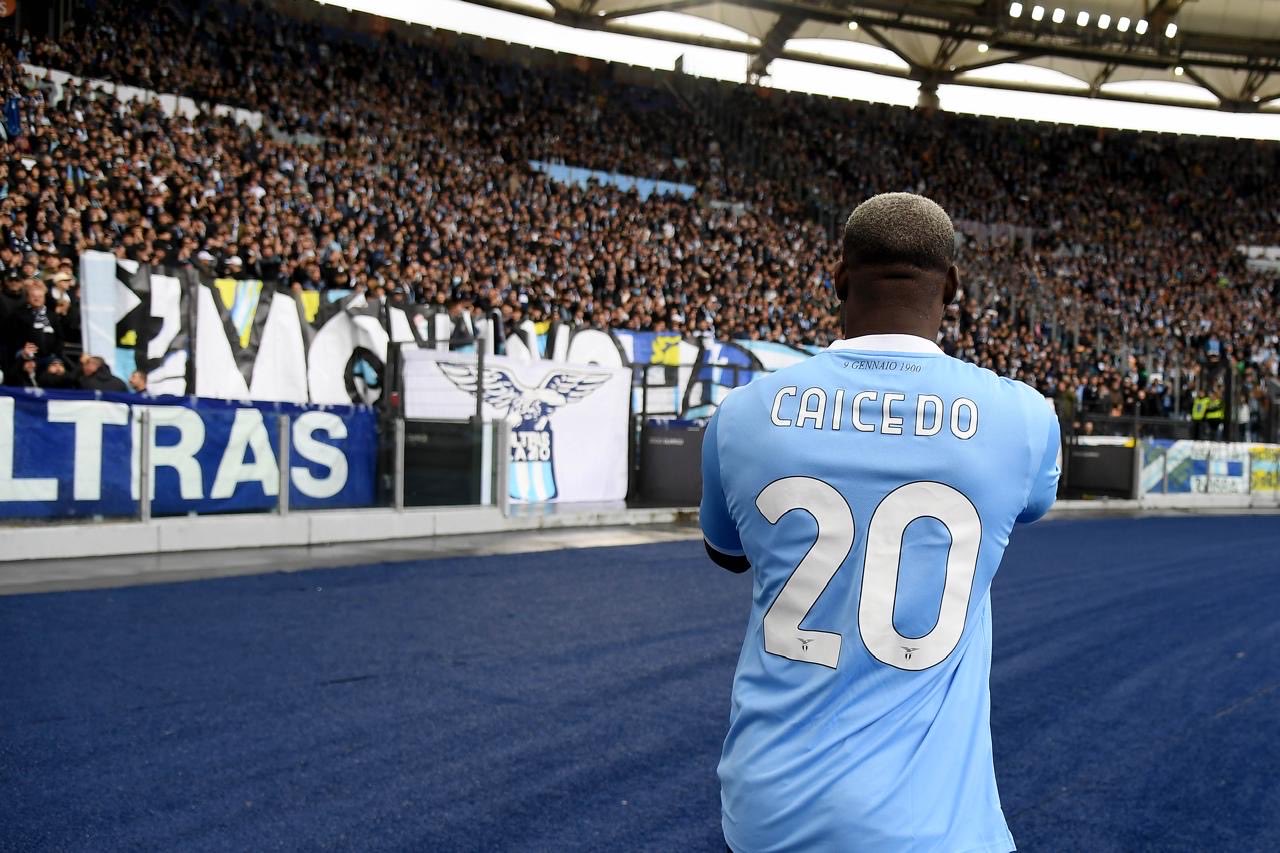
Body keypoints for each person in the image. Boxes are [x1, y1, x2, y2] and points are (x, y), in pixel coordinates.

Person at [700, 193, 1060, 853]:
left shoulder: (742, 412)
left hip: (769, 813)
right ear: (953, 287)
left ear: (838, 276)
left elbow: (726, 550)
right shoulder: (1025, 418)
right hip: (937, 829)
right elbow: (1032, 506)